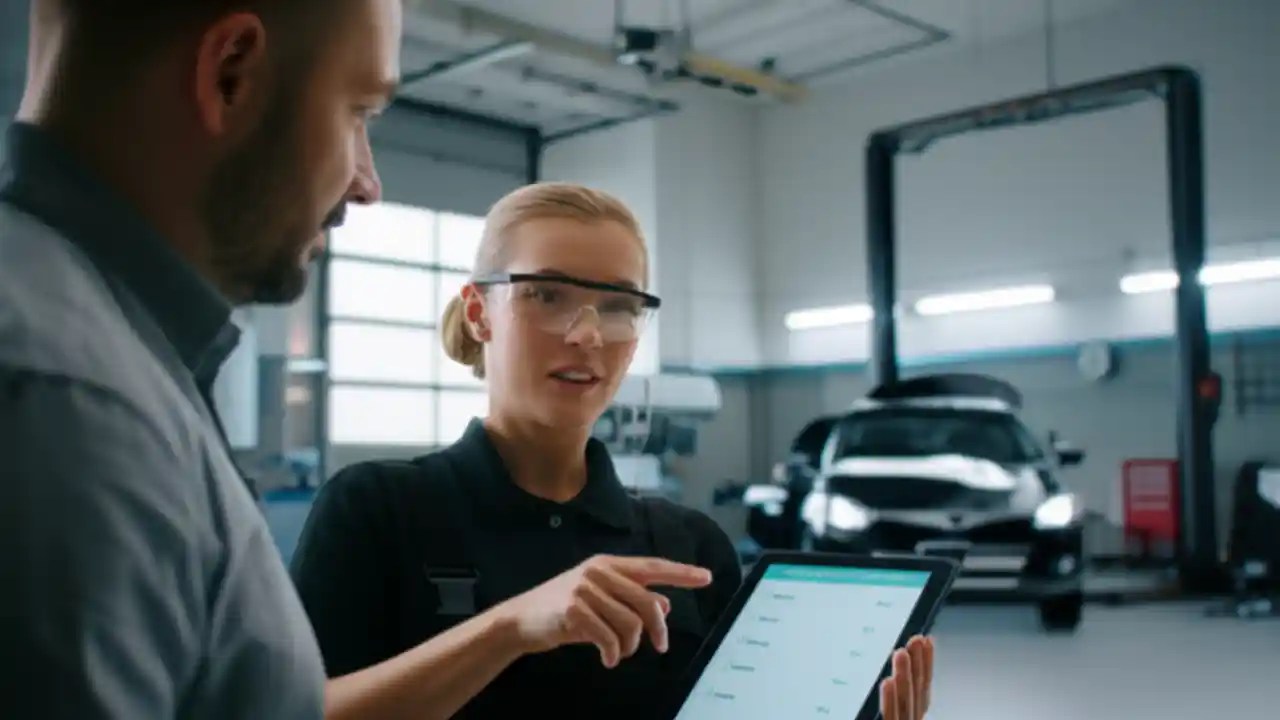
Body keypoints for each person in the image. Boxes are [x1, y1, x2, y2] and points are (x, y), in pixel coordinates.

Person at [0, 2, 708, 719]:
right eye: (357, 111)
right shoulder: (65, 402)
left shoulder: (134, 377)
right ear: (231, 71)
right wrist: (504, 631)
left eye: (617, 306)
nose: (368, 183)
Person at [289, 181, 937, 719]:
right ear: (480, 313)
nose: (589, 334)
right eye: (548, 295)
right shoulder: (378, 510)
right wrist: (507, 629)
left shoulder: (689, 548)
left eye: (619, 305)